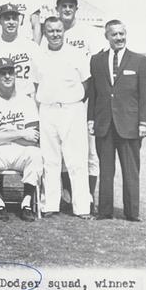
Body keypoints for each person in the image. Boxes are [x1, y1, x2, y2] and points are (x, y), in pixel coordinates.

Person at [87, 20, 146, 222]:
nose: (119, 38)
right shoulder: (97, 60)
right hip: (104, 124)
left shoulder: (139, 60)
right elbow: (94, 93)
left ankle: (132, 213)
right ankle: (104, 211)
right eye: (114, 34)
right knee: (106, 169)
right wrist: (91, 119)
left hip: (130, 125)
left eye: (122, 34)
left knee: (131, 171)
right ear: (106, 36)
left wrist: (144, 123)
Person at [34, 17, 93, 219]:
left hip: (72, 110)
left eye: (58, 30)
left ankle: (82, 207)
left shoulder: (76, 55)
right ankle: (50, 204)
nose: (55, 35)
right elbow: (36, 86)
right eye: (50, 31)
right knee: (50, 160)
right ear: (45, 33)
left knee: (76, 160)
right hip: (48, 110)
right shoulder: (38, 56)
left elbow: (86, 84)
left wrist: (72, 102)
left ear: (64, 31)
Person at [48, 0, 101, 206]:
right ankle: (67, 192)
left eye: (71, 5)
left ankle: (88, 194)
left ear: (76, 9)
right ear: (57, 9)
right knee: (61, 149)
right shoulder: (52, 31)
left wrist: (85, 98)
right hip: (62, 101)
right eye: (63, 6)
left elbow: (96, 65)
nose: (67, 9)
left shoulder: (87, 32)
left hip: (85, 97)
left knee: (89, 149)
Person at [0, 57, 43, 222]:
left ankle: (26, 203)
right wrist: (20, 133)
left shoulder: (26, 101)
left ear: (15, 75)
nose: (7, 76)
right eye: (2, 73)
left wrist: (3, 135)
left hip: (20, 150)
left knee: (36, 154)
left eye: (10, 72)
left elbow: (32, 139)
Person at [0, 3, 41, 97]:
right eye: (7, 18)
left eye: (14, 18)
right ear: (0, 21)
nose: (11, 22)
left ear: (19, 21)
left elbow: (39, 75)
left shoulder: (31, 46)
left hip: (24, 96)